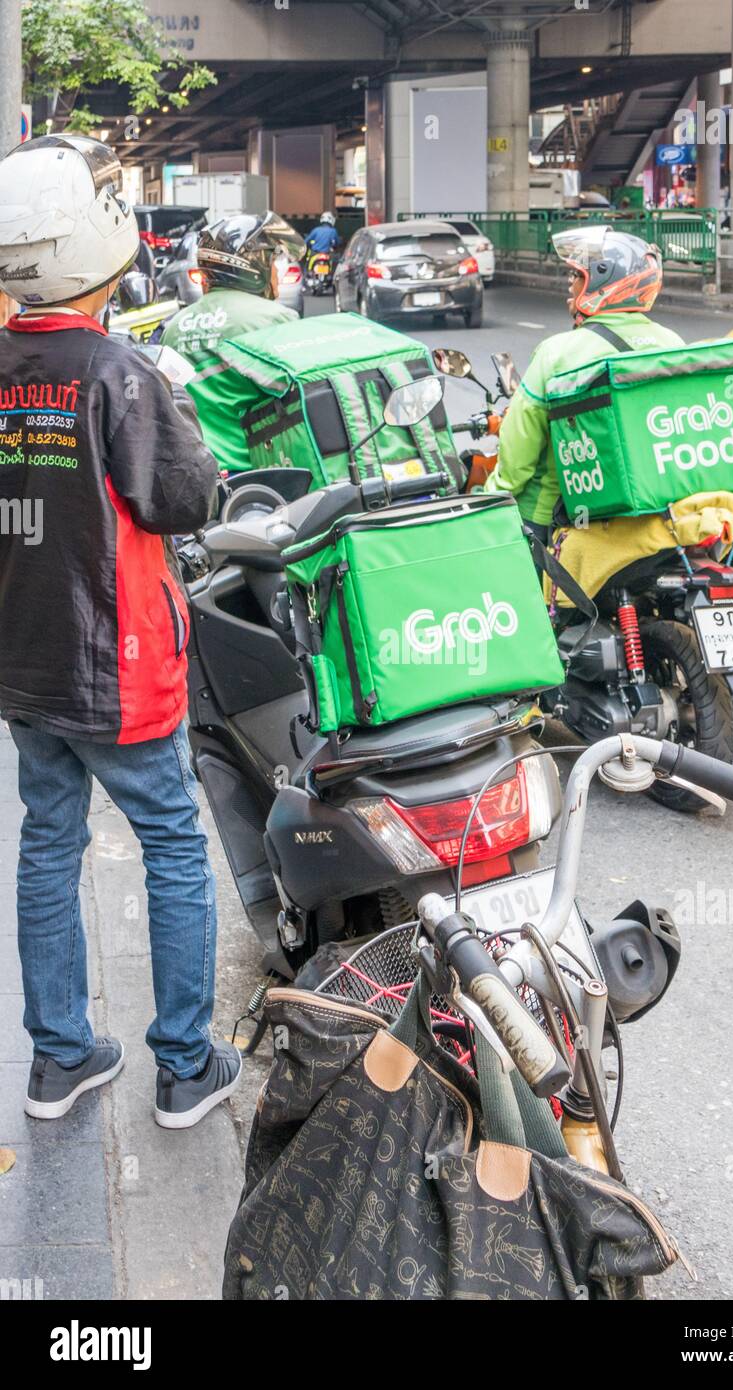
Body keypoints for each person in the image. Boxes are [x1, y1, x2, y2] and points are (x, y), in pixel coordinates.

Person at [0, 134, 239, 1129]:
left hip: (22, 663)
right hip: (118, 667)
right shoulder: (118, 371)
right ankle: (184, 1064)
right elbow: (188, 498)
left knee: (48, 839)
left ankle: (61, 1057)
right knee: (172, 842)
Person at [484, 226, 685, 542]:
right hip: (656, 510)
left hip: (561, 516)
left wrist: (492, 496)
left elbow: (519, 453)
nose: (570, 281)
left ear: (604, 284)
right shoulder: (673, 343)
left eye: (577, 275)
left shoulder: (558, 352)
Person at [161, 212, 301, 473]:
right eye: (272, 262)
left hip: (199, 474)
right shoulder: (276, 318)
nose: (276, 273)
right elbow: (304, 393)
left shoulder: (175, 326)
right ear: (253, 266)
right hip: (262, 470)